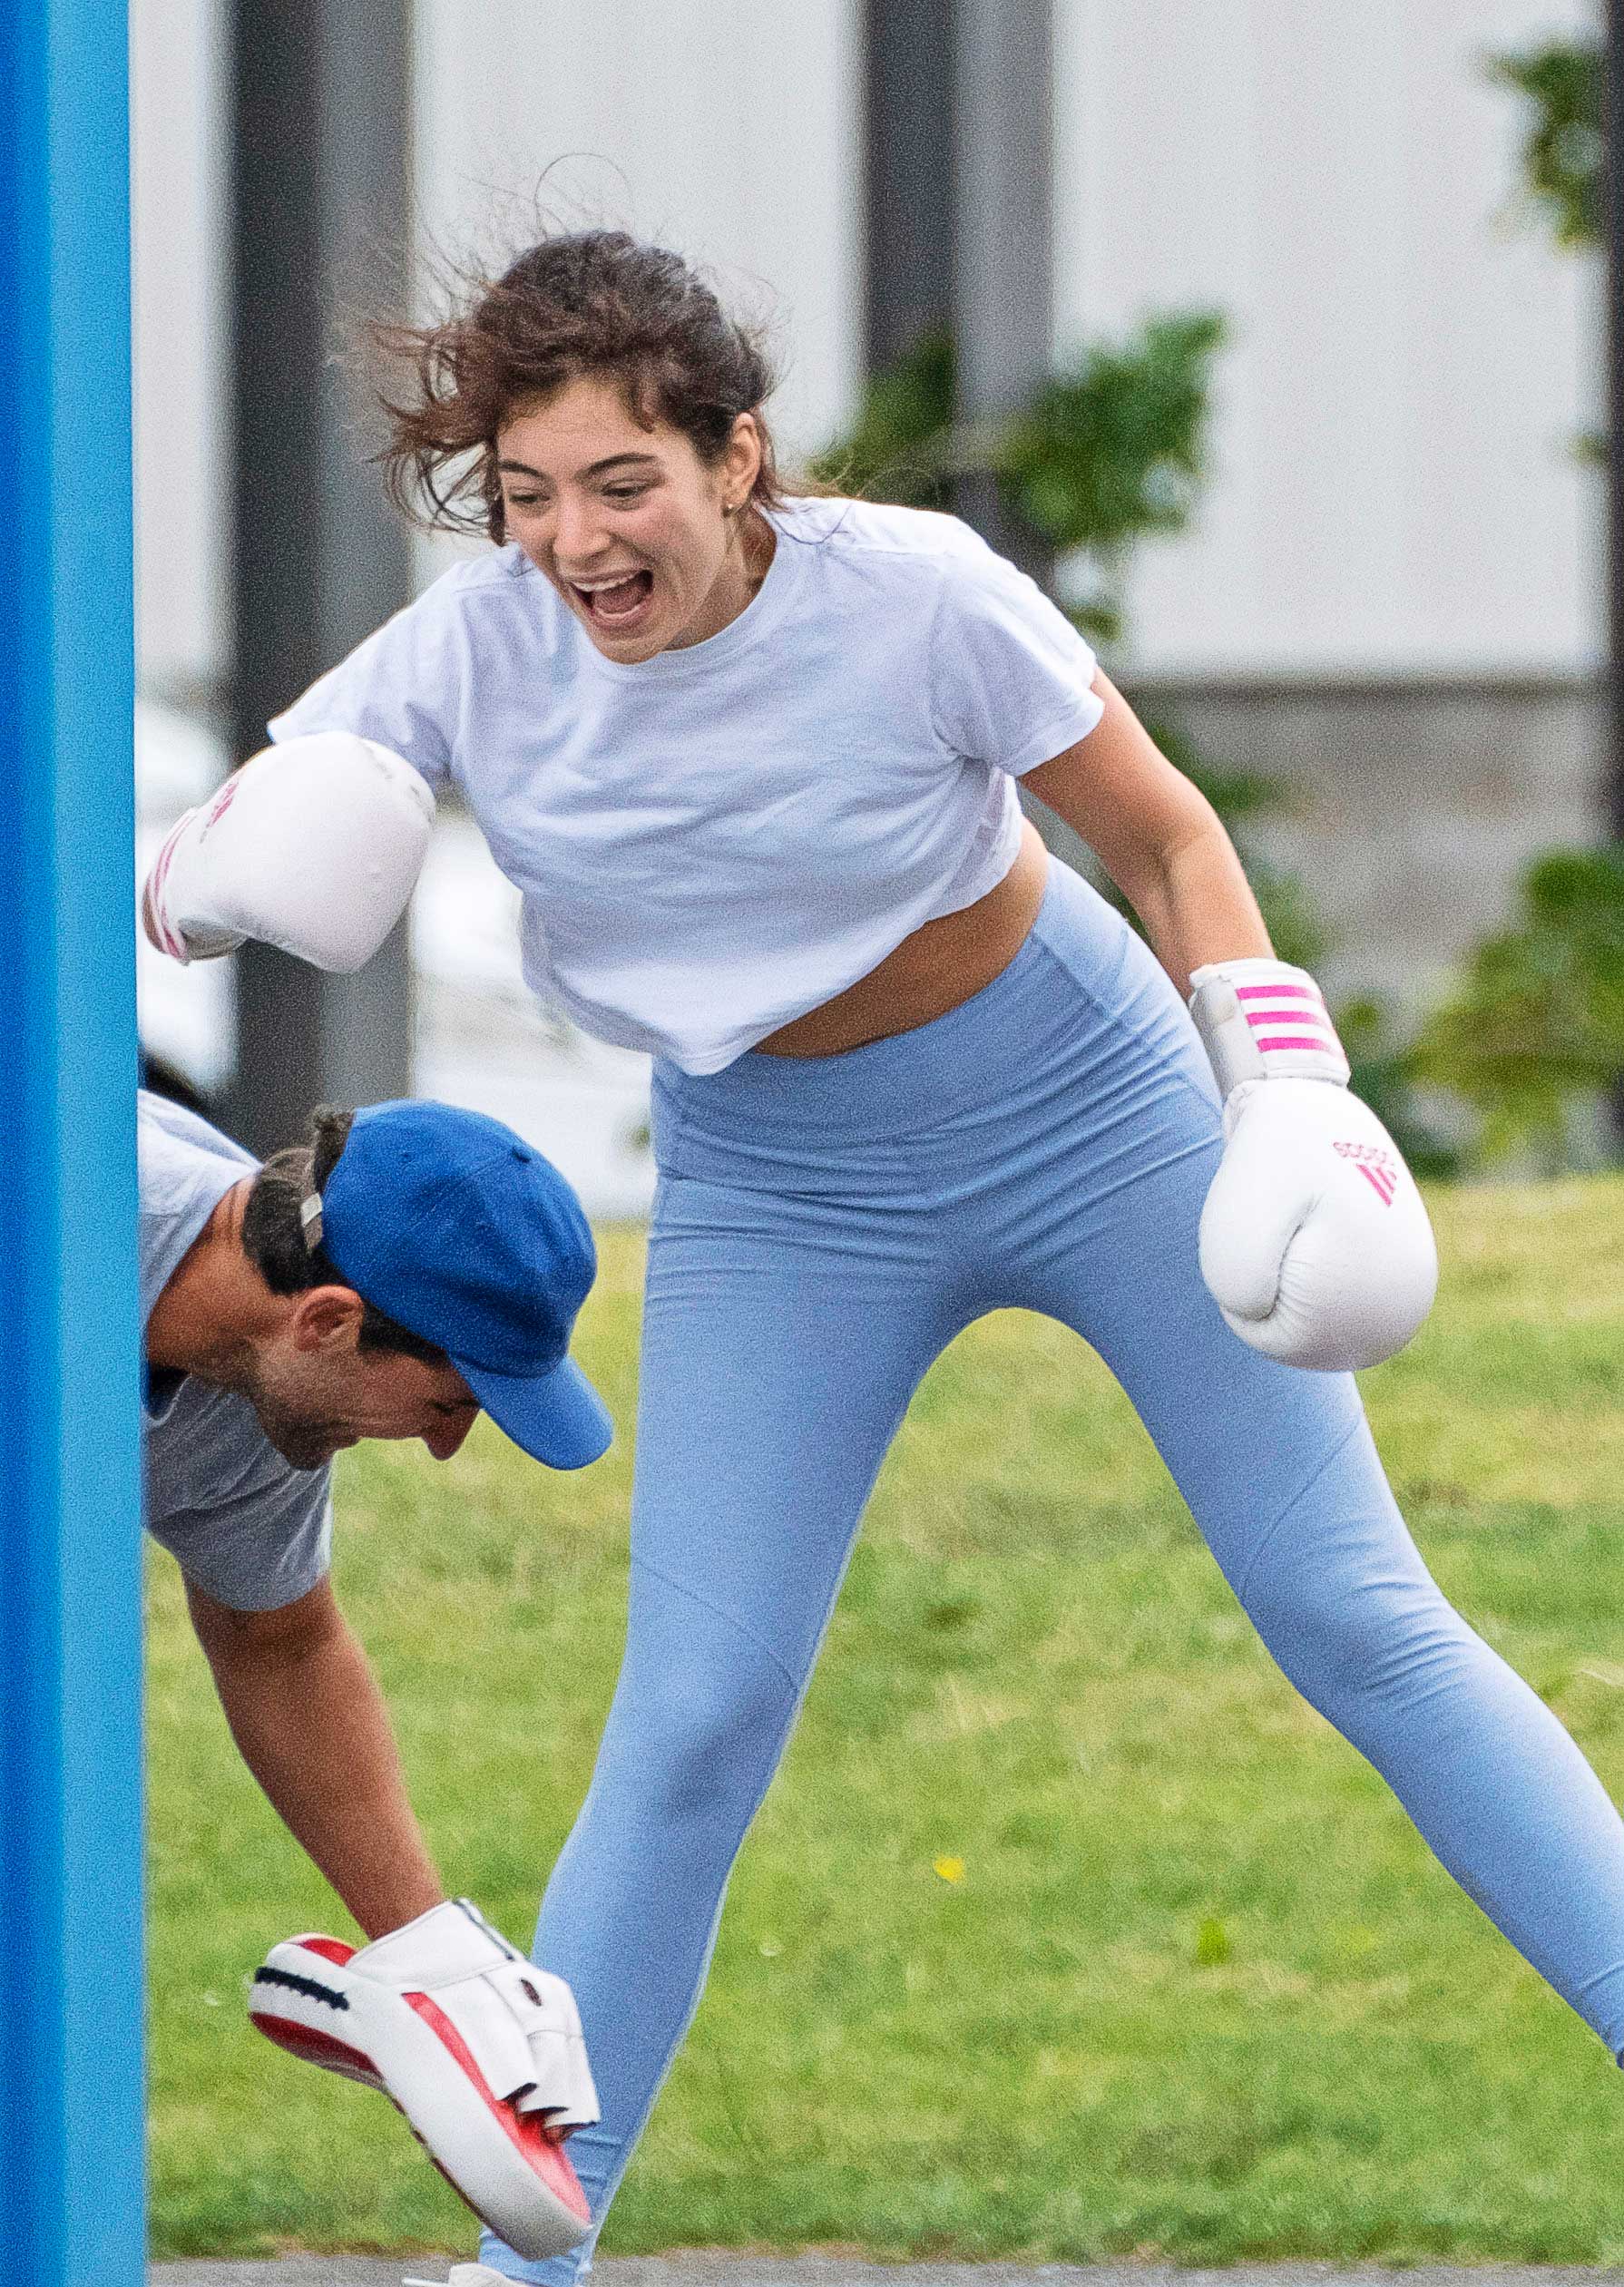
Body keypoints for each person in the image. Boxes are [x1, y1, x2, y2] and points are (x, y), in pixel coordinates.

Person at [145, 231, 1624, 2287]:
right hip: (773, 1173)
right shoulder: (465, 652)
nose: (573, 539)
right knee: (692, 1715)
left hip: (1082, 1088)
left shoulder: (912, 593)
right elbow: (183, 881)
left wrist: (1276, 1074)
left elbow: (1168, 835)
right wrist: (201, 879)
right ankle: (528, 2263)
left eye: (622, 483)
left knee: (1350, 1615)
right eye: (529, 490)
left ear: (735, 456)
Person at [139, 1085, 613, 2251]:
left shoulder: (253, 1415)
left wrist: (426, 1953)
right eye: (449, 1402)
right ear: (328, 1322)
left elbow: (278, 1640)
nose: (448, 1447)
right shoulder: (52, 1186)